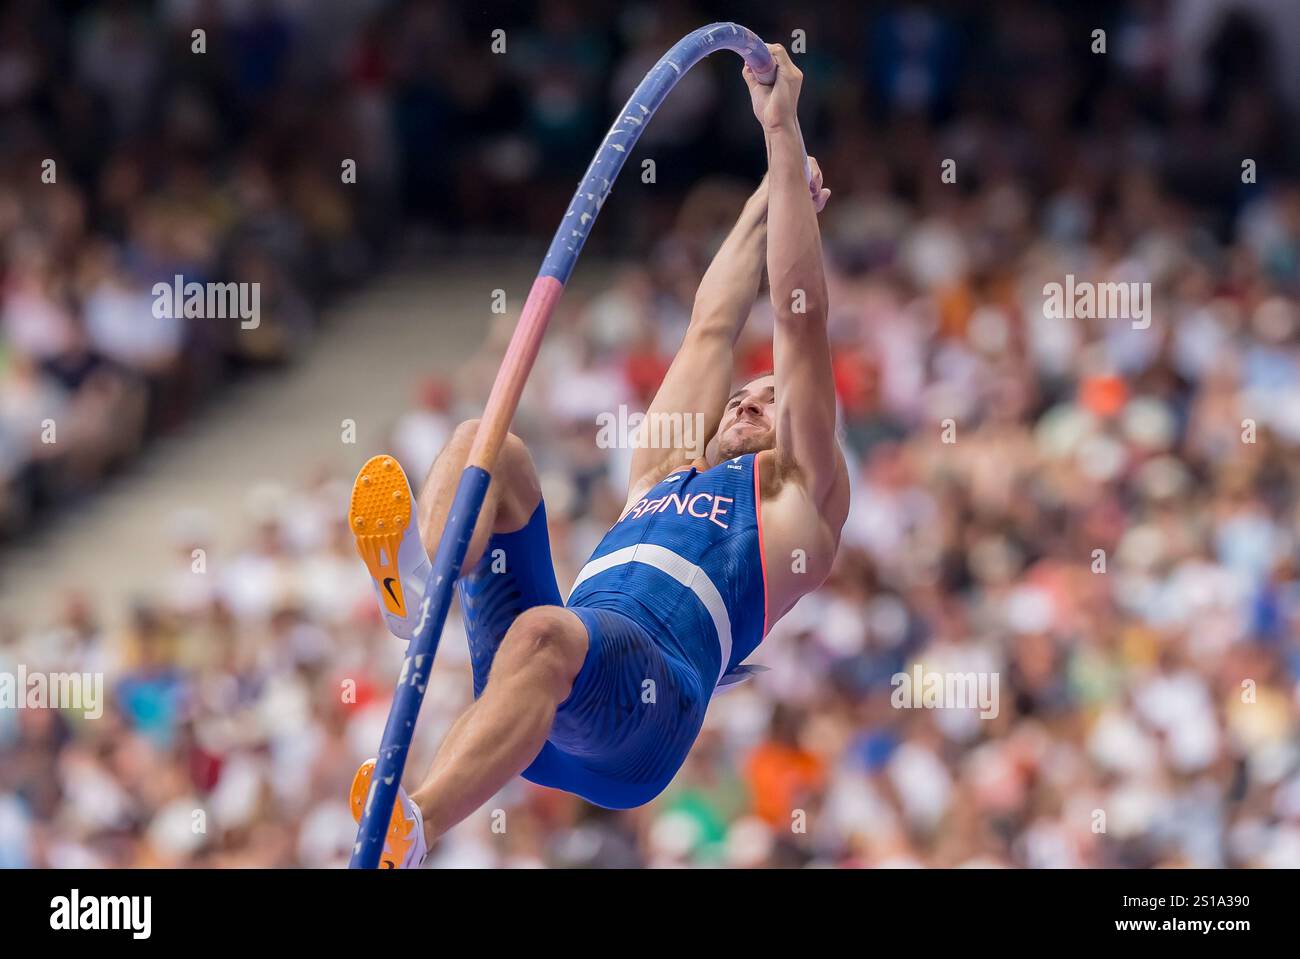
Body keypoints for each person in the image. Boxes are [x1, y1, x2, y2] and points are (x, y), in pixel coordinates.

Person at [347, 45, 849, 867]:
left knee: (550, 631)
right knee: (487, 447)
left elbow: (796, 317)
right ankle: (418, 592)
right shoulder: (658, 469)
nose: (750, 399)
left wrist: (781, 135)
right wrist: (768, 201)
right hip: (537, 687)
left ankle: (414, 828)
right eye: (743, 395)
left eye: (769, 398)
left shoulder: (798, 500)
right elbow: (714, 322)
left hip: (644, 712)